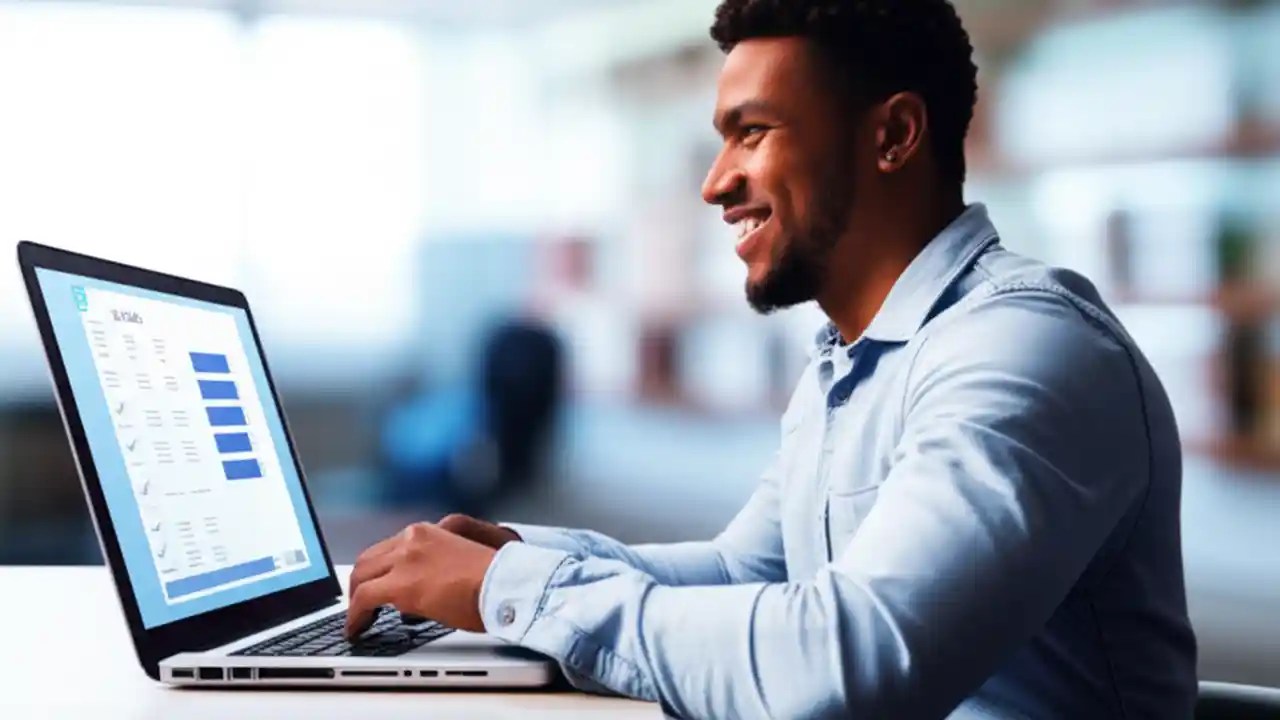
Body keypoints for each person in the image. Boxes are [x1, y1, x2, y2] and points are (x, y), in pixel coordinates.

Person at [344, 1, 1198, 717]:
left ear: (895, 133)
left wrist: (519, 590)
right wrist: (514, 556)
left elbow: (847, 663)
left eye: (752, 133)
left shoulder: (1024, 350)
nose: (715, 183)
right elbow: (740, 571)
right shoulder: (851, 359)